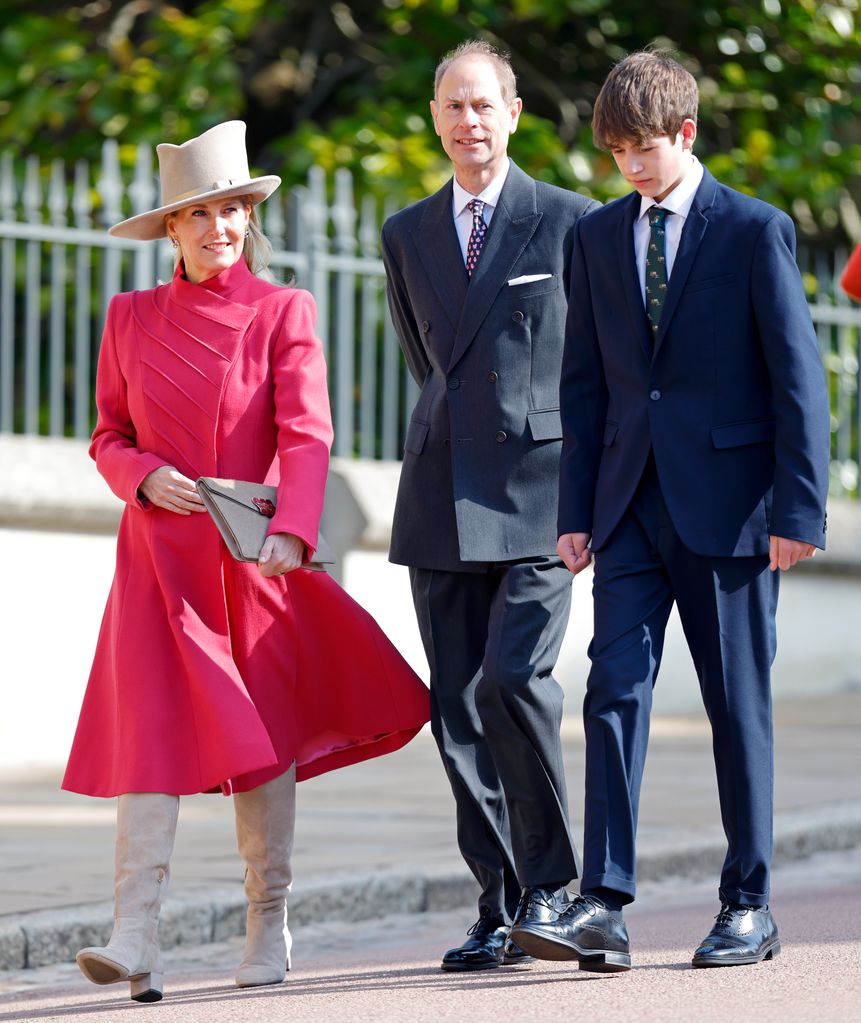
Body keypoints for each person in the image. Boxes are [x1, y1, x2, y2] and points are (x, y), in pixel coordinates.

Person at [62, 120, 430, 1003]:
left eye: (233, 210)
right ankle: (134, 930)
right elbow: (108, 434)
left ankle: (269, 919)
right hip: (156, 563)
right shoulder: (130, 317)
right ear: (172, 229)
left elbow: (307, 435)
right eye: (201, 213)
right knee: (150, 735)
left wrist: (293, 533)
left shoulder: (283, 310)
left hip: (252, 559)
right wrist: (143, 476)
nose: (220, 226)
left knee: (260, 745)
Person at [511, 51, 830, 972]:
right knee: (612, 690)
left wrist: (796, 508)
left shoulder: (751, 230)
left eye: (643, 150)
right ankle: (603, 902)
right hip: (625, 507)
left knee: (736, 705)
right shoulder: (595, 238)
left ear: (685, 134)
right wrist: (573, 508)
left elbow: (796, 380)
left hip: (731, 511)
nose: (631, 169)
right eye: (615, 153)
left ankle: (748, 902)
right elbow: (585, 385)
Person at [381, 40, 600, 972]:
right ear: (434, 119)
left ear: (513, 113)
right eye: (451, 107)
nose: (467, 121)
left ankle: (553, 886)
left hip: (542, 498)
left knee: (517, 683)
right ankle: (498, 899)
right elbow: (422, 358)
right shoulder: (405, 231)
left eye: (483, 105)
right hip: (440, 494)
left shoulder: (571, 222)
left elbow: (593, 370)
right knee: (456, 710)